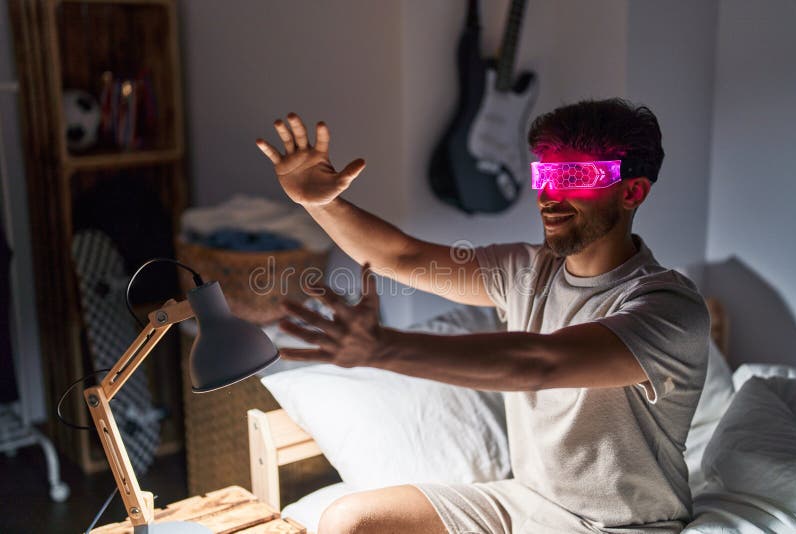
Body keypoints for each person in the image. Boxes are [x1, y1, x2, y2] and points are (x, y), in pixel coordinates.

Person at [256, 98, 710, 534]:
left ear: (632, 191)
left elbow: (537, 363)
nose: (549, 196)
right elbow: (403, 256)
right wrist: (320, 203)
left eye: (574, 176)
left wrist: (383, 348)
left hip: (619, 526)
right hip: (526, 502)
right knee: (347, 521)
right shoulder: (527, 271)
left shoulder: (670, 307)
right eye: (545, 174)